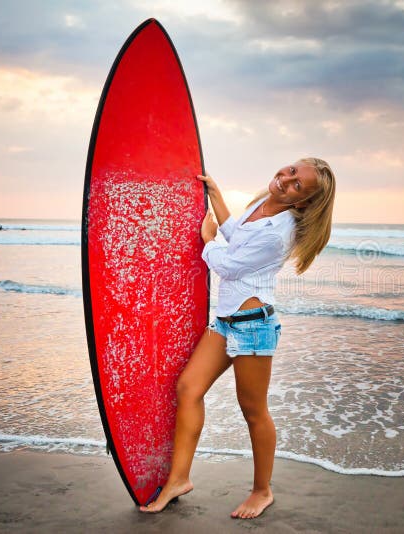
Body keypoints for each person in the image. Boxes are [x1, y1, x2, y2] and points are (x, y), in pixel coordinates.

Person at [140, 157, 336, 519]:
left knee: (254, 412)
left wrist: (208, 240)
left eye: (297, 185)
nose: (286, 180)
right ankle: (179, 479)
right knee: (188, 388)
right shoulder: (262, 206)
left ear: (304, 202)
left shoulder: (280, 233)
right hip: (226, 322)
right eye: (291, 171)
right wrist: (213, 191)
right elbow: (236, 233)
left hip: (253, 327)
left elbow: (227, 265)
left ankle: (262, 491)